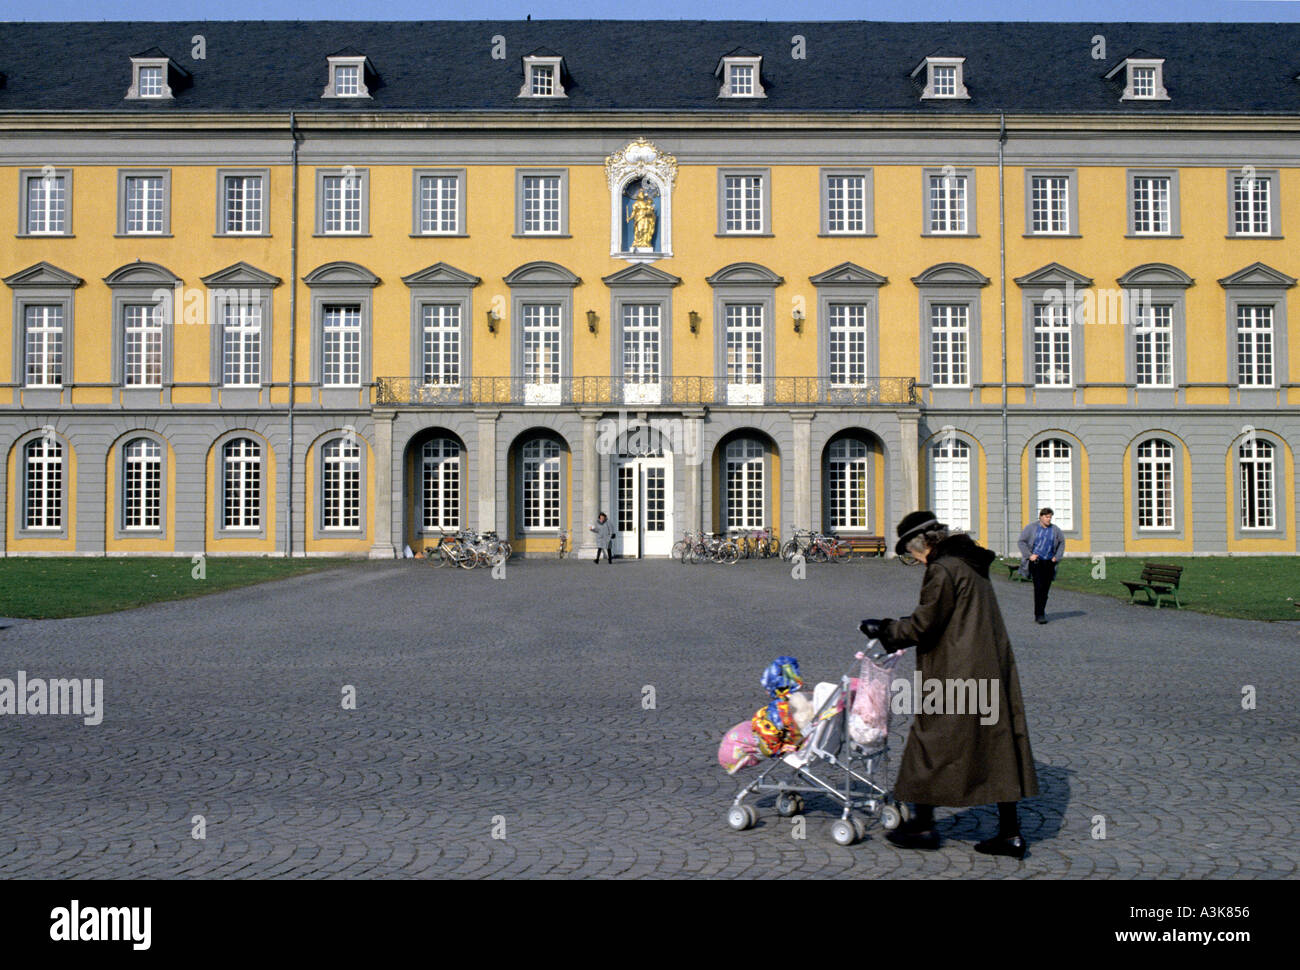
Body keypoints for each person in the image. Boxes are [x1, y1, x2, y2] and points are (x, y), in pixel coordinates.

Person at [859, 510, 1039, 859]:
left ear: (921, 545)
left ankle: (923, 826)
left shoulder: (942, 568)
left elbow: (925, 623)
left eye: (910, 554)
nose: (913, 560)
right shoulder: (969, 562)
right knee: (996, 743)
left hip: (956, 671)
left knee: (928, 741)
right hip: (987, 666)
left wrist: (884, 629)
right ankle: (1010, 833)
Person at [1018, 507, 1064, 624]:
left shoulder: (1055, 530)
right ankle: (1039, 614)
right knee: (1038, 588)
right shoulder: (1031, 528)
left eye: (1050, 517)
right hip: (1036, 562)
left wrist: (1056, 557)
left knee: (1045, 589)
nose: (1048, 519)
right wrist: (1029, 555)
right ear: (1041, 517)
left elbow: (1061, 542)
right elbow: (1021, 541)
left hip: (1049, 562)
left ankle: (1041, 609)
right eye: (1046, 517)